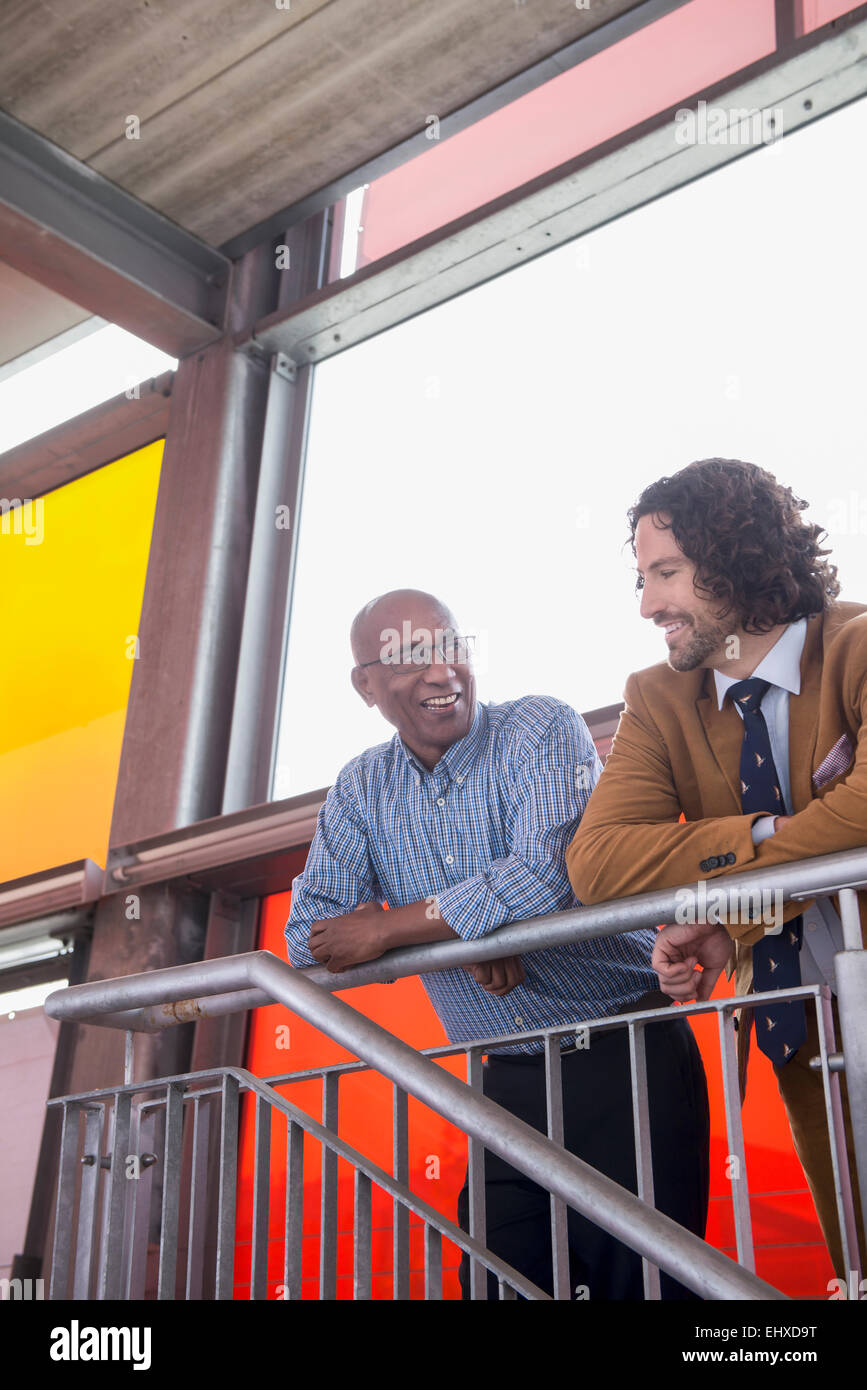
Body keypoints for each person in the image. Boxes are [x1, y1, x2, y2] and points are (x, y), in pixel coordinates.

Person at [284, 587, 710, 1299]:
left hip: (623, 1054)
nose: (441, 670)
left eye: (451, 645)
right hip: (504, 1085)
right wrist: (470, 922)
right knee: (498, 1282)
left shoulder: (540, 728)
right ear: (366, 685)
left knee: (647, 1287)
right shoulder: (360, 787)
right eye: (411, 656)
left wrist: (410, 925)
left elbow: (542, 876)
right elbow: (309, 938)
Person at [566, 457, 866, 1277]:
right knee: (858, 1261)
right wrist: (772, 841)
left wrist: (719, 904)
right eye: (639, 577)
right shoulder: (657, 697)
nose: (646, 605)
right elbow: (596, 864)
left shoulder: (858, 646)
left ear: (739, 557)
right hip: (794, 1028)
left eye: (666, 572)